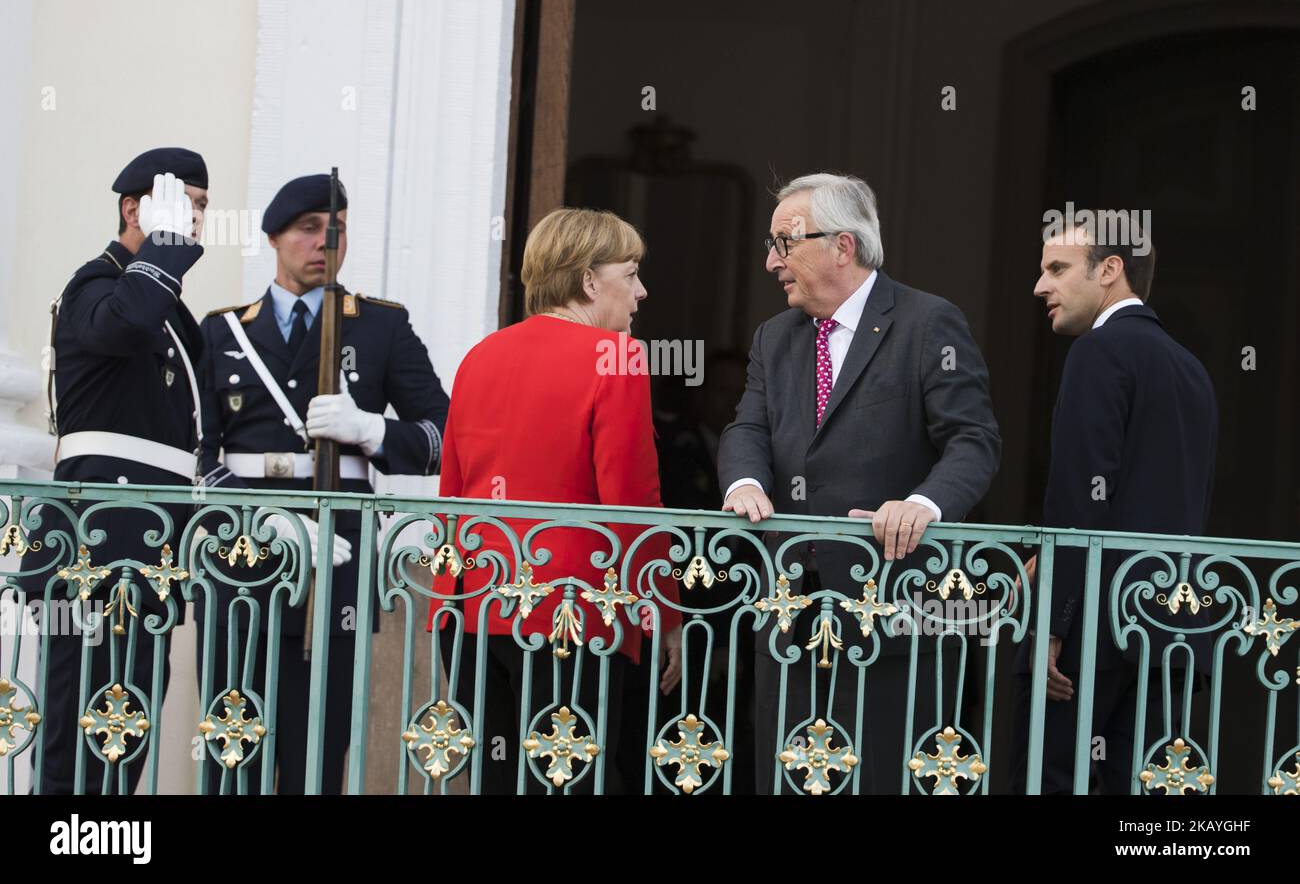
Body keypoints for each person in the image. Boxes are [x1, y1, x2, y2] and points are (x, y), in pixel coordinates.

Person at [717, 172, 1000, 793]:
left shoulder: (928, 324)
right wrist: (743, 483)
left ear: (843, 246)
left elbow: (973, 440)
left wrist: (923, 503)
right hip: (788, 609)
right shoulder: (774, 336)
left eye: (784, 244)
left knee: (882, 778)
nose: (771, 262)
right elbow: (748, 429)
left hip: (896, 609)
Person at [195, 173, 450, 794]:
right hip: (243, 545)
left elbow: (443, 437)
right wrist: (259, 515)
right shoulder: (224, 331)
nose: (323, 243)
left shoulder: (380, 327)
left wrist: (372, 431)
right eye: (308, 229)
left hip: (341, 547)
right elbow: (197, 453)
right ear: (274, 238)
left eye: (335, 230)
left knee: (323, 730)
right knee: (236, 723)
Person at [430, 207, 682, 794]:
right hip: (571, 609)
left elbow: (455, 490)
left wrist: (450, 602)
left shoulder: (480, 355)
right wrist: (664, 613)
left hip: (475, 602)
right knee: (568, 781)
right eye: (632, 273)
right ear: (590, 281)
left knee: (497, 778)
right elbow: (632, 506)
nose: (641, 293)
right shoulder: (616, 357)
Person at [1012, 219, 1217, 794]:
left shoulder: (1099, 351)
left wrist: (1053, 621)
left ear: (1109, 270)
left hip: (1093, 633)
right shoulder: (1192, 369)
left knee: (1048, 781)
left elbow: (1081, 493)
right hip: (1172, 628)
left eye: (1056, 269)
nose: (1039, 286)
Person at [27, 148, 209, 793]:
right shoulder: (94, 286)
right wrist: (160, 250)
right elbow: (127, 324)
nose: (192, 223)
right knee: (73, 738)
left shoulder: (176, 314)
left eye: (200, 210)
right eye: (181, 205)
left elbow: (195, 434)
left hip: (153, 549)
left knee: (123, 740)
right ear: (134, 209)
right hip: (92, 547)